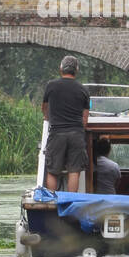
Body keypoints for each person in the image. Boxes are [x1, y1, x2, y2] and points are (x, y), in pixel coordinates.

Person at [41, 55, 89, 192]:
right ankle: (70, 201)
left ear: (61, 69)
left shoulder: (51, 85)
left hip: (57, 133)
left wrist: (47, 117)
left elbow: (44, 107)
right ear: (77, 70)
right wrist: (81, 130)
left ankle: (52, 201)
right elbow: (85, 118)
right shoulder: (83, 89)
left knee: (53, 170)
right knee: (74, 170)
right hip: (76, 134)